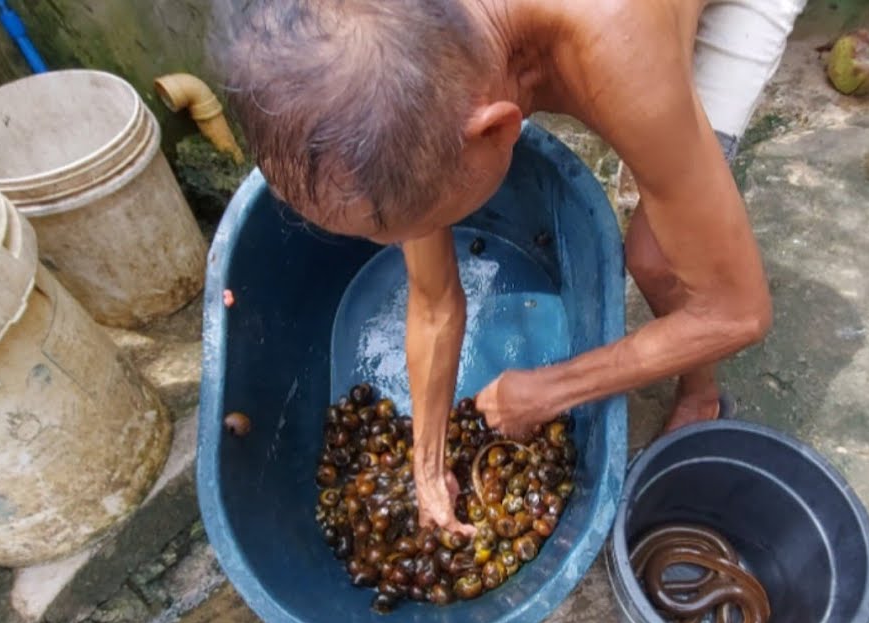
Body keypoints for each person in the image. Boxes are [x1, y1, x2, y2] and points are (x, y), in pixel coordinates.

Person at [223, 0, 807, 536]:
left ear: (498, 128)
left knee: (657, 259)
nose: (401, 245)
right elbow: (432, 299)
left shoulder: (623, 61)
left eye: (397, 229)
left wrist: (550, 390)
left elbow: (738, 312)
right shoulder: (390, 43)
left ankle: (700, 393)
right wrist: (426, 465)